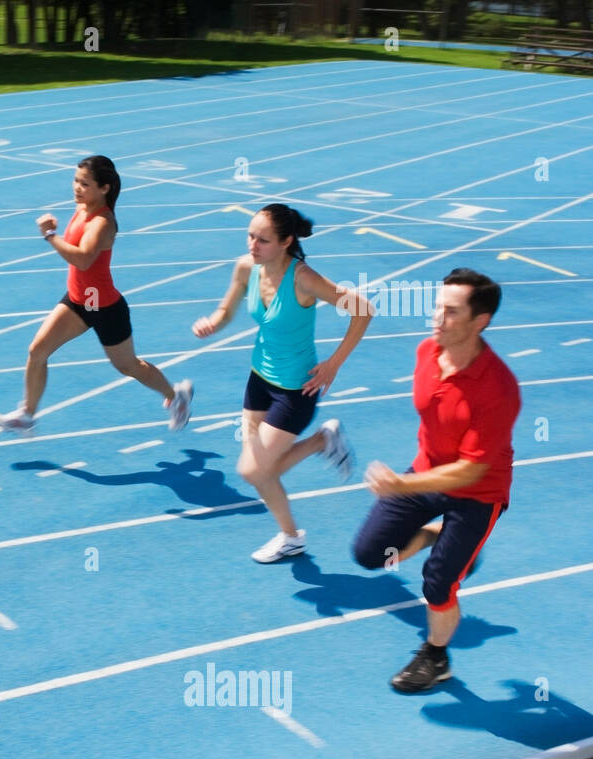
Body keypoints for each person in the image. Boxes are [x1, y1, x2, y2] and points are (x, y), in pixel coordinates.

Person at [352, 269, 520, 693]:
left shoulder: (498, 388)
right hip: (425, 474)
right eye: (436, 307)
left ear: (480, 321)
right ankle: (432, 535)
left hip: (477, 494)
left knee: (439, 581)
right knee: (373, 555)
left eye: (450, 311)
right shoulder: (426, 351)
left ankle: (435, 656)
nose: (436, 318)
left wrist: (400, 485)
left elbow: (471, 470)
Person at [192, 203, 374, 563]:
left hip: (295, 389)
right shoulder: (247, 268)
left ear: (286, 242)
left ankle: (292, 536)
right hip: (258, 378)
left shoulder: (304, 279)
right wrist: (214, 322)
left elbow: (363, 309)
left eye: (262, 240)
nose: (252, 245)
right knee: (260, 470)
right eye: (250, 236)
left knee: (252, 470)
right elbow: (227, 308)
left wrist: (334, 363)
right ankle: (323, 441)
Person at [0, 155, 193, 434]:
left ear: (104, 188)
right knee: (37, 351)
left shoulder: (103, 223)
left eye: (85, 184)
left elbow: (83, 260)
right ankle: (28, 415)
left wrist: (51, 235)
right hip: (78, 301)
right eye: (76, 180)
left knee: (129, 367)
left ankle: (176, 396)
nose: (77, 188)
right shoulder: (83, 206)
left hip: (105, 307)